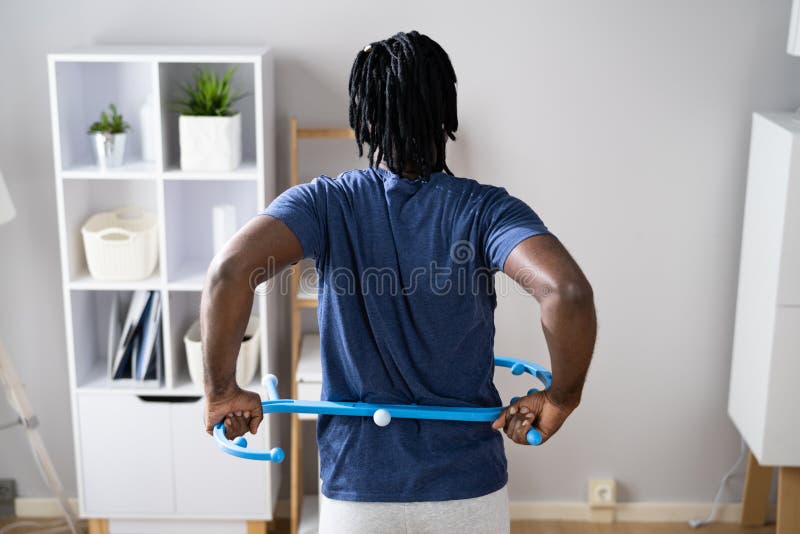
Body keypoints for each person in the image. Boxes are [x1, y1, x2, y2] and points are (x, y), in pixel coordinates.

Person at [202, 30, 596, 534]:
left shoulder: (326, 203)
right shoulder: (487, 209)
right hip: (467, 491)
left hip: (359, 492)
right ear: (445, 112)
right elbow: (567, 293)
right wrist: (562, 397)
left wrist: (220, 391)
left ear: (365, 118)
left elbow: (229, 272)